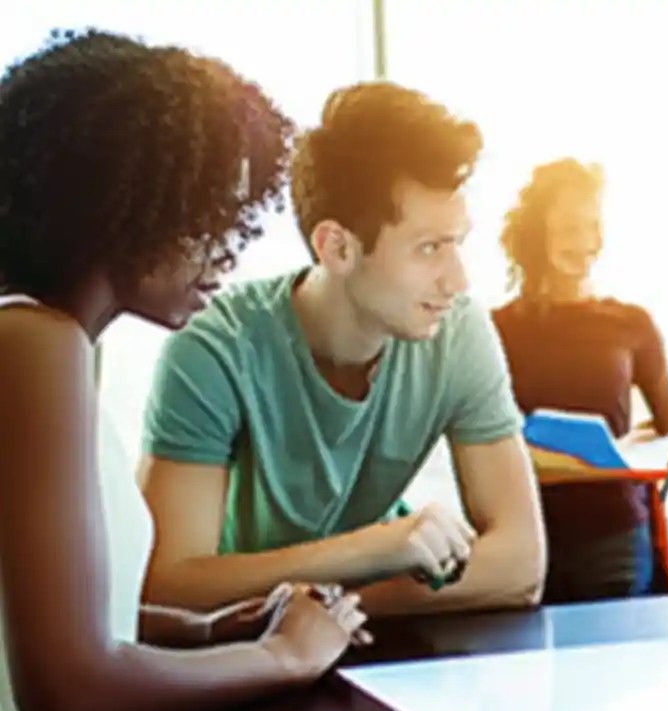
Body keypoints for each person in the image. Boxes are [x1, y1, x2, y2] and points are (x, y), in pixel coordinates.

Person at [0, 29, 368, 711]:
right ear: (128, 200)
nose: (225, 250)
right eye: (207, 215)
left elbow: (62, 619)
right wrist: (283, 657)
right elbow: (66, 689)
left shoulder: (45, 341)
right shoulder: (33, 344)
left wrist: (207, 631)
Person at [137, 80, 547, 617]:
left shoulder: (458, 333)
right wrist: (372, 549)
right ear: (337, 247)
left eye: (457, 244)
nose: (457, 280)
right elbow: (167, 586)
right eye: (429, 249)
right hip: (230, 655)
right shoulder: (213, 349)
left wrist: (336, 607)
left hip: (368, 643)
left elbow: (521, 565)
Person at [491, 158, 668, 603]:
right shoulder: (496, 329)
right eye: (570, 228)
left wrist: (631, 451)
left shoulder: (631, 323)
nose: (586, 241)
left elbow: (665, 424)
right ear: (538, 233)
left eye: (593, 226)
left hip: (614, 533)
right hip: (528, 533)